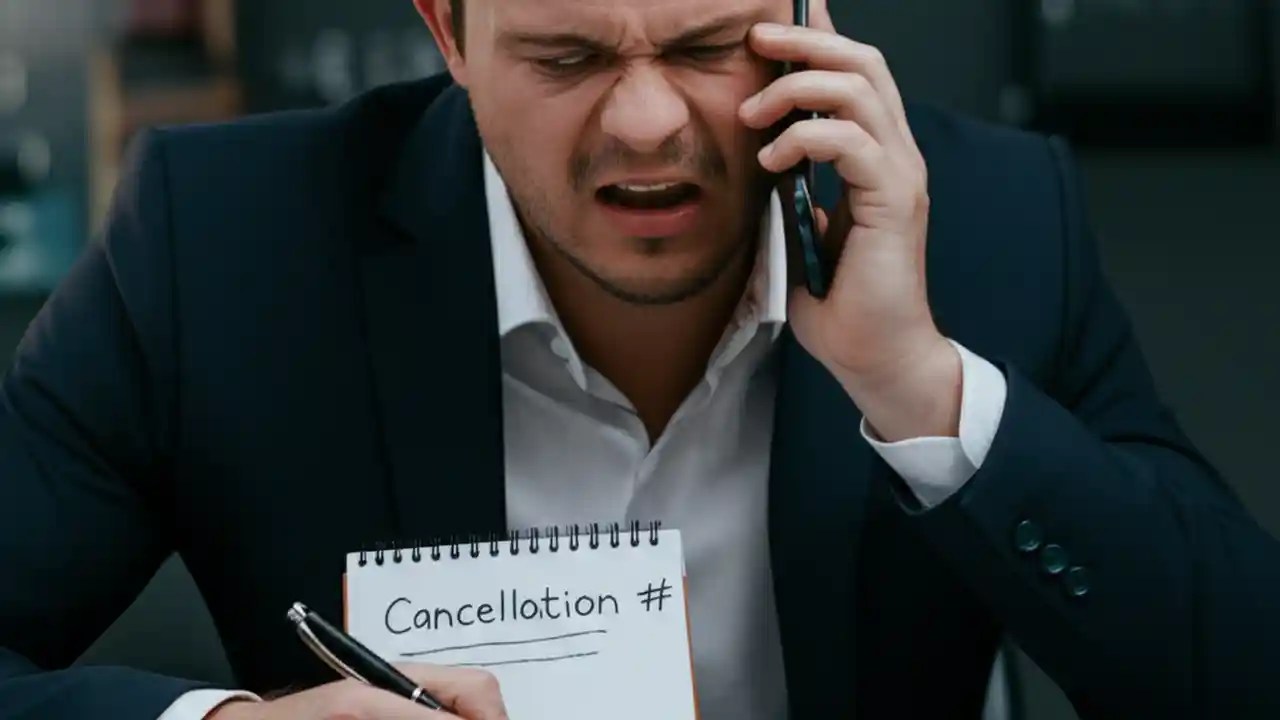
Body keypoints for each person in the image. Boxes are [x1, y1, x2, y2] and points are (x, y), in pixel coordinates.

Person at [2, 0, 1278, 718]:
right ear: (446, 32)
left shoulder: (992, 224)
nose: (648, 123)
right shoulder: (220, 242)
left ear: (798, 18)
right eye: (566, 59)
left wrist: (920, 387)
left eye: (707, 48)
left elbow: (1233, 677)